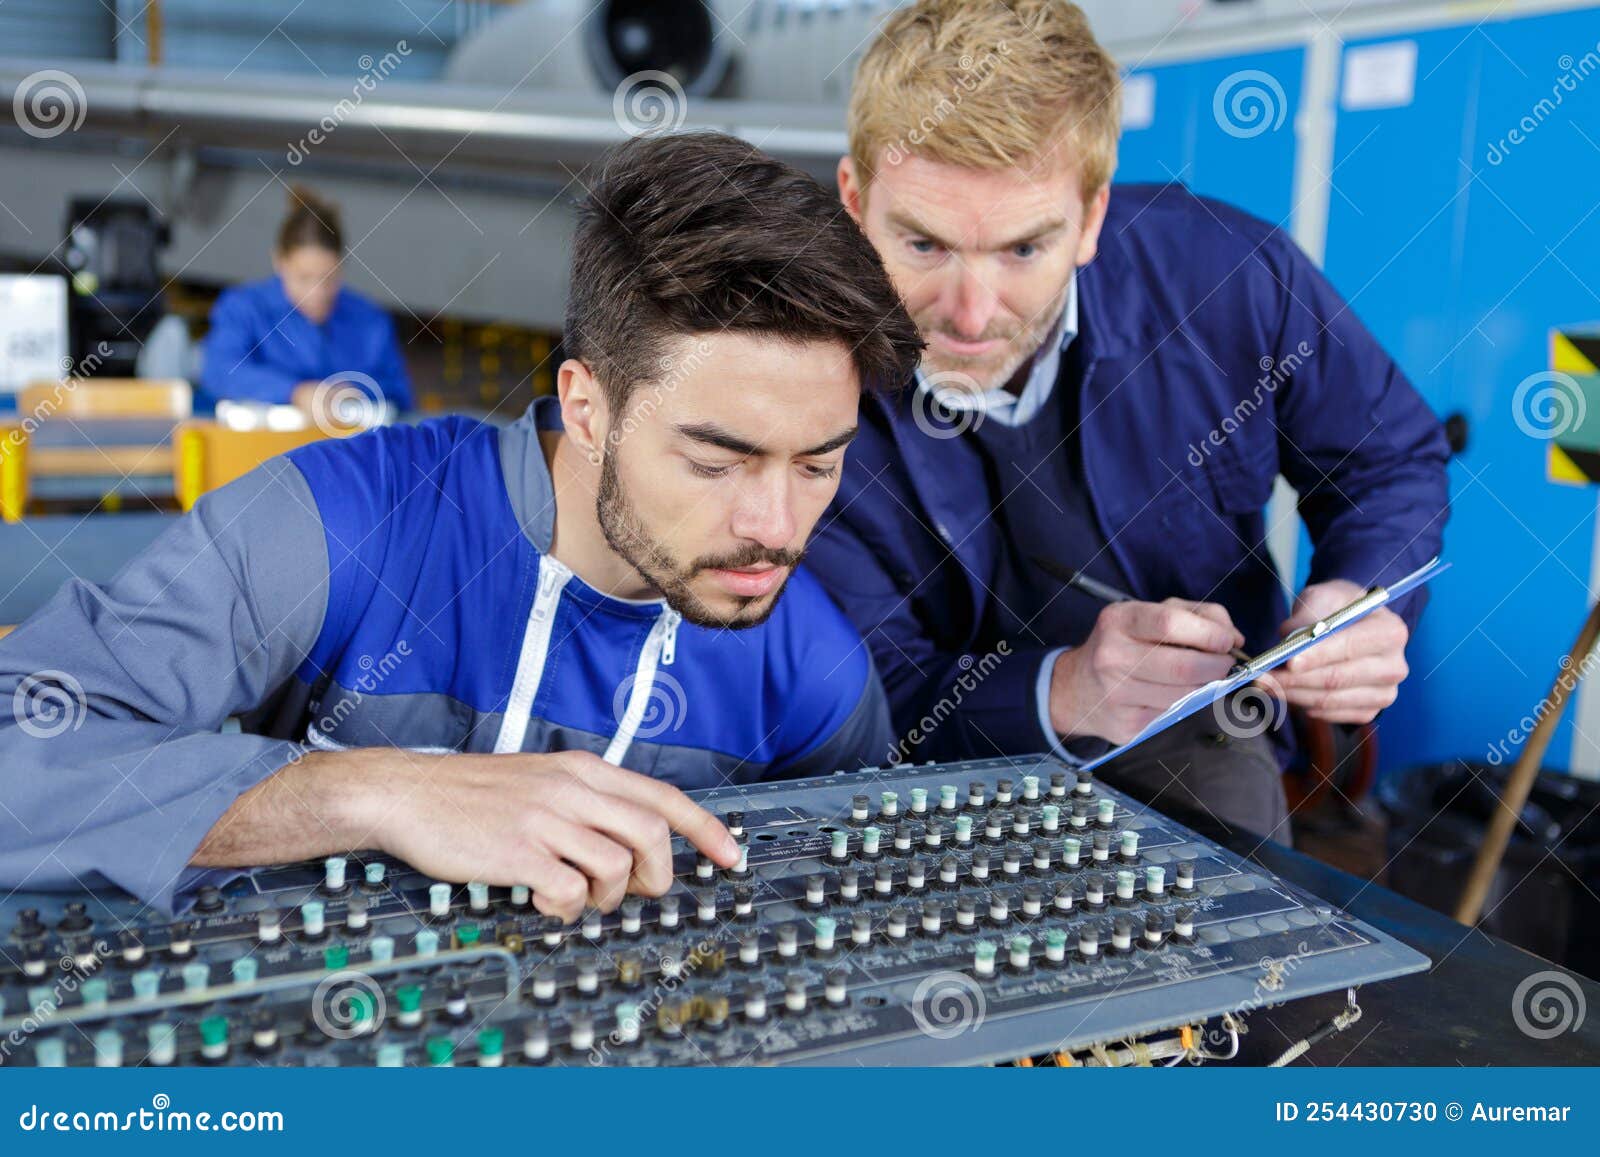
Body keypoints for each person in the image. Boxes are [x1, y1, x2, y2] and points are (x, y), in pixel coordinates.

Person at [0, 132, 922, 920]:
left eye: (818, 465)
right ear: (588, 408)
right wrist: (371, 791)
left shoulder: (816, 672)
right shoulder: (343, 521)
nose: (775, 528)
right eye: (716, 462)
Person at [805, 0, 1450, 840]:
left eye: (1023, 249)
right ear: (856, 202)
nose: (970, 313)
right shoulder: (796, 381)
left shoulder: (1226, 276)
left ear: (1092, 218)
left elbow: (1387, 458)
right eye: (924, 245)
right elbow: (850, 706)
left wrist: (1363, 598)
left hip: (1200, 743)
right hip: (917, 784)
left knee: (1234, 845)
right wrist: (1062, 691)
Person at [199, 185, 412, 412]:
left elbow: (399, 393)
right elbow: (219, 371)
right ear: (279, 261)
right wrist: (295, 392)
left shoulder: (370, 320)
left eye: (329, 279)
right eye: (304, 278)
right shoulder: (244, 309)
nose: (317, 293)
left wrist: (357, 392)